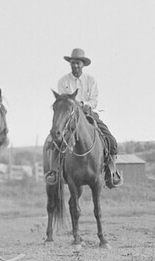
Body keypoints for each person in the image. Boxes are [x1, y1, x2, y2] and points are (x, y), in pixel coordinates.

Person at [52, 48, 122, 188]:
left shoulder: (90, 80)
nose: (75, 65)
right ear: (70, 63)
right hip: (69, 116)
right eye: (73, 62)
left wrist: (83, 104)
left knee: (111, 141)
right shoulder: (63, 81)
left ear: (83, 64)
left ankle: (111, 172)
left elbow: (94, 101)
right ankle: (55, 171)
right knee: (56, 140)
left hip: (88, 113)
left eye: (78, 63)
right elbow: (62, 100)